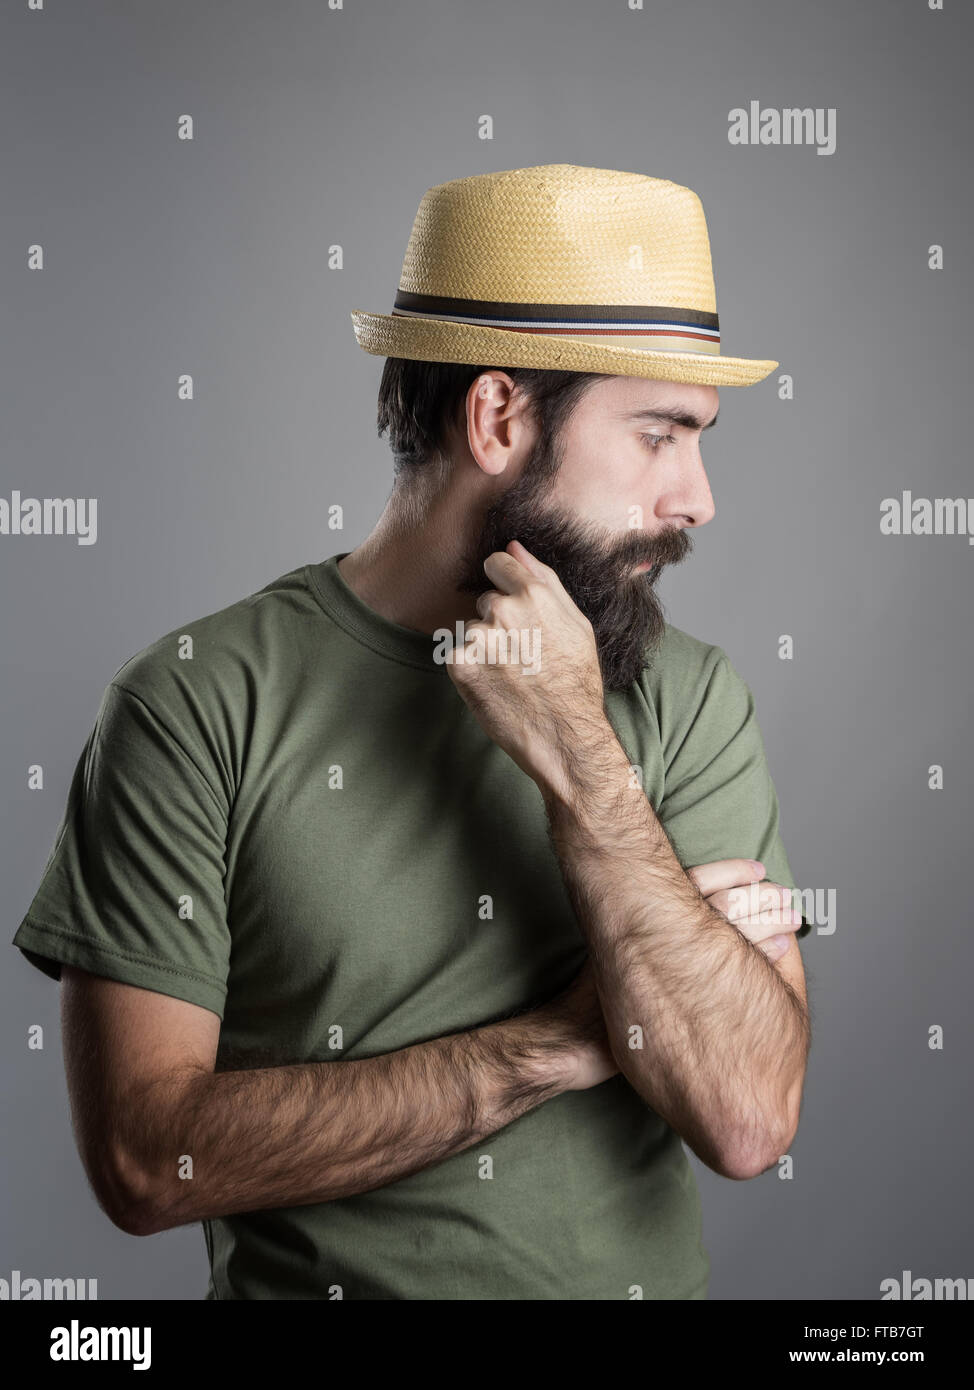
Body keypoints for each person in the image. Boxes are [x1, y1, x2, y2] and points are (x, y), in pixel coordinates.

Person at [12, 164, 811, 1301]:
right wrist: (558, 1042)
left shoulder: (686, 696)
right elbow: (148, 1159)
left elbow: (743, 1117)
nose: (695, 497)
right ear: (497, 417)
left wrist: (582, 759)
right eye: (657, 433)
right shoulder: (193, 704)